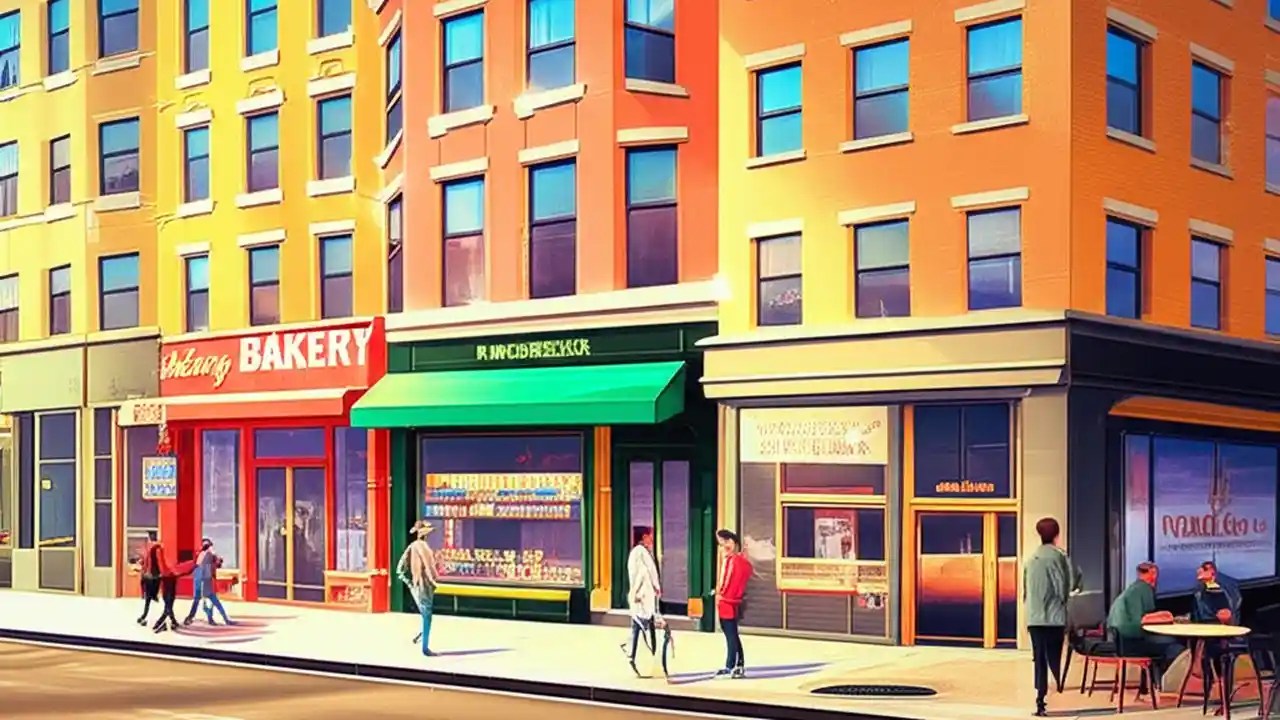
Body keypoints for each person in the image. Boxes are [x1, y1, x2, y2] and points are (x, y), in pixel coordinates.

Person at [1023, 517, 1082, 717]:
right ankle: (1052, 692)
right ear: (1057, 534)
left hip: (1034, 618)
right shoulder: (1059, 557)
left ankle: (1040, 699)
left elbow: (1025, 591)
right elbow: (1065, 587)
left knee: (1038, 658)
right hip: (1053, 619)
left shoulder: (1031, 559)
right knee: (1053, 658)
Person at [1106, 562, 1184, 686]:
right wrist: (1167, 618)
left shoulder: (1132, 589)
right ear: (1151, 574)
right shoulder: (1144, 589)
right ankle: (1167, 684)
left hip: (1121, 642)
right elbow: (1144, 619)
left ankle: (1154, 683)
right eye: (1154, 574)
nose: (1156, 578)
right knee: (1175, 646)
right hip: (1133, 642)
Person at [622, 526, 661, 676]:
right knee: (642, 626)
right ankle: (638, 656)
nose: (651, 539)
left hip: (642, 596)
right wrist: (655, 587)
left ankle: (634, 653)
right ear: (644, 537)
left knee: (639, 626)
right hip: (643, 596)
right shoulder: (641, 552)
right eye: (650, 535)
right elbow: (645, 572)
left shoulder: (636, 552)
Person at [396, 520, 439, 656]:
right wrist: (429, 581)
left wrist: (410, 583)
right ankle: (425, 647)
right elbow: (429, 568)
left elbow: (400, 570)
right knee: (427, 616)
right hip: (423, 585)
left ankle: (422, 636)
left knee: (426, 615)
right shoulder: (421, 547)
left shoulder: (415, 546)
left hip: (421, 585)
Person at [714, 528, 751, 679]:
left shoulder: (732, 560)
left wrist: (719, 593)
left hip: (727, 602)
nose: (722, 548)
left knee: (730, 634)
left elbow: (726, 582)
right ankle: (739, 664)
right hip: (731, 601)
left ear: (731, 543)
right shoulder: (736, 560)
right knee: (733, 634)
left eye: (723, 544)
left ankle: (730, 665)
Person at [184, 538, 232, 626]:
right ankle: (223, 619)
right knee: (212, 600)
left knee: (201, 600)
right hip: (204, 580)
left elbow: (212, 565)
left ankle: (193, 618)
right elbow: (216, 564)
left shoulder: (201, 554)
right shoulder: (208, 555)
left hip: (199, 579)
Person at [136, 531, 168, 626]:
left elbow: (146, 561)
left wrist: (143, 569)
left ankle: (144, 616)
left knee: (149, 599)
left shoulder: (150, 548)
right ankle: (147, 616)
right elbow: (160, 561)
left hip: (149, 576)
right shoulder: (157, 548)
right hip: (154, 576)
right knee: (160, 598)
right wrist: (163, 573)